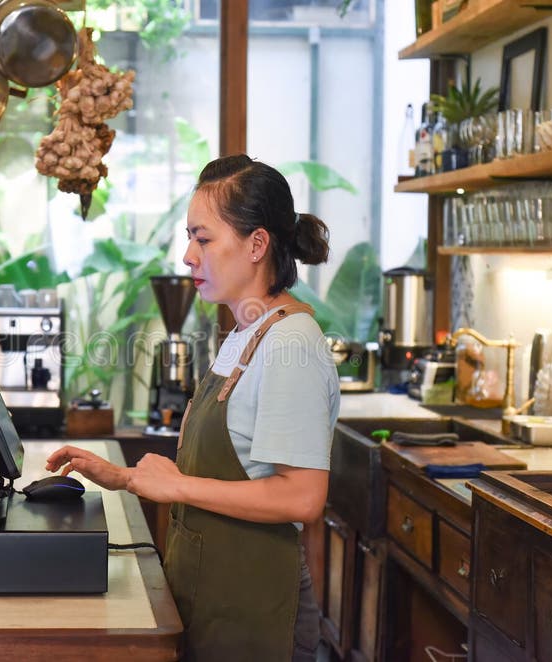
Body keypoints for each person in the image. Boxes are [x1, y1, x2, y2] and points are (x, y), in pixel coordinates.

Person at [46, 154, 340, 661]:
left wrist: (174, 484)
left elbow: (302, 497)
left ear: (256, 244)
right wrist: (127, 478)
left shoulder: (293, 343)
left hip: (256, 613)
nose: (187, 255)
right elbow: (233, 469)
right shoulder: (247, 333)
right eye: (189, 237)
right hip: (213, 598)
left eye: (203, 239)